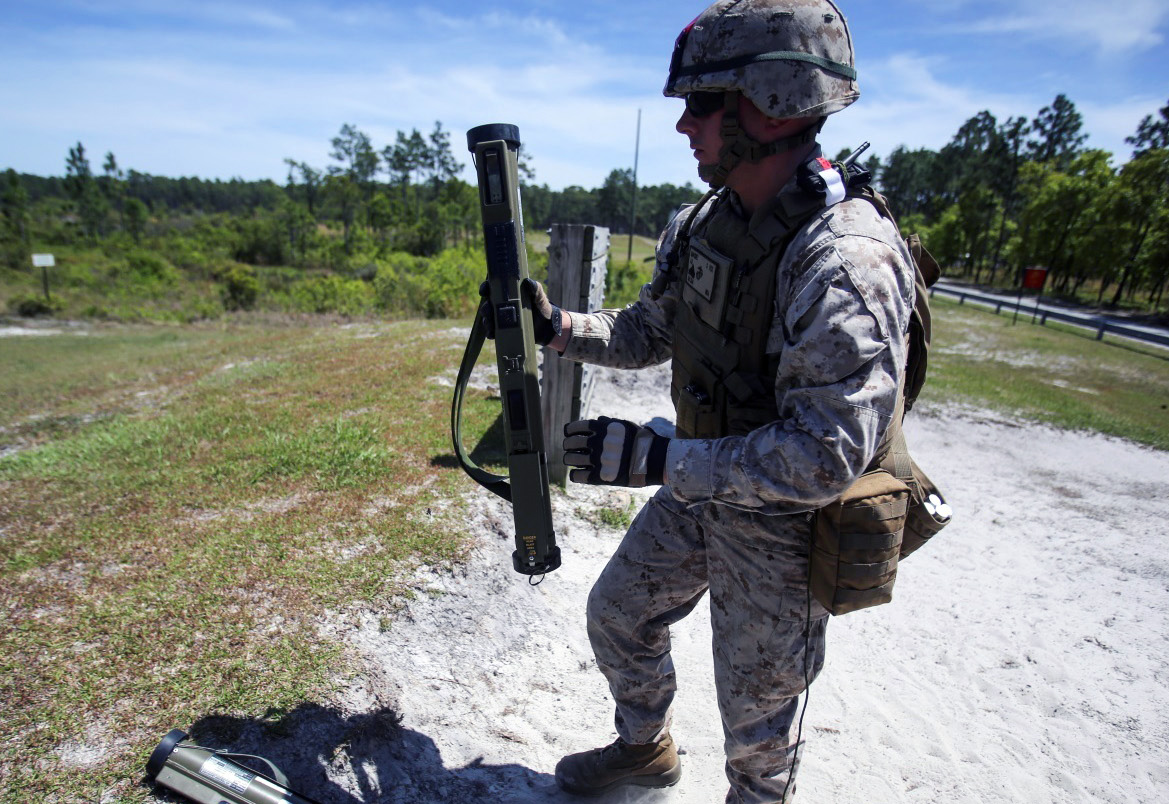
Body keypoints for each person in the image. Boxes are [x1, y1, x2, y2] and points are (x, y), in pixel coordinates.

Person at [526, 1, 916, 801]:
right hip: (700, 485)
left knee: (758, 714)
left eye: (701, 104)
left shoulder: (847, 260)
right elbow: (646, 330)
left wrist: (660, 457)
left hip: (783, 524)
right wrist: (560, 328)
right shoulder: (705, 223)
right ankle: (643, 751)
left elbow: (824, 455)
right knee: (618, 615)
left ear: (769, 103)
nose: (684, 126)